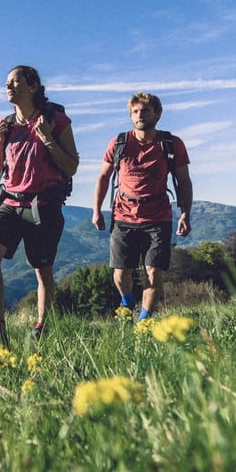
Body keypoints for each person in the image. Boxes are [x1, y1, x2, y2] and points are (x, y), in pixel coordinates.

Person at [0, 65, 80, 346]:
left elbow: (72, 165)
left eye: (15, 82)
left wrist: (46, 137)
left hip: (43, 206)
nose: (8, 86)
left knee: (42, 272)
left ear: (33, 87)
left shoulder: (56, 120)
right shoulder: (6, 125)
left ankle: (42, 328)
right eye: (6, 82)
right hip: (9, 201)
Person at [91, 92, 193, 322]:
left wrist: (185, 213)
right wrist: (96, 210)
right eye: (135, 111)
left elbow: (184, 181)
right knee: (120, 274)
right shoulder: (119, 143)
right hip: (123, 215)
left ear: (157, 114)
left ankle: (143, 322)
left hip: (158, 216)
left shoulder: (171, 144)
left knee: (154, 273)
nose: (139, 115)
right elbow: (103, 178)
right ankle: (126, 302)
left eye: (145, 110)